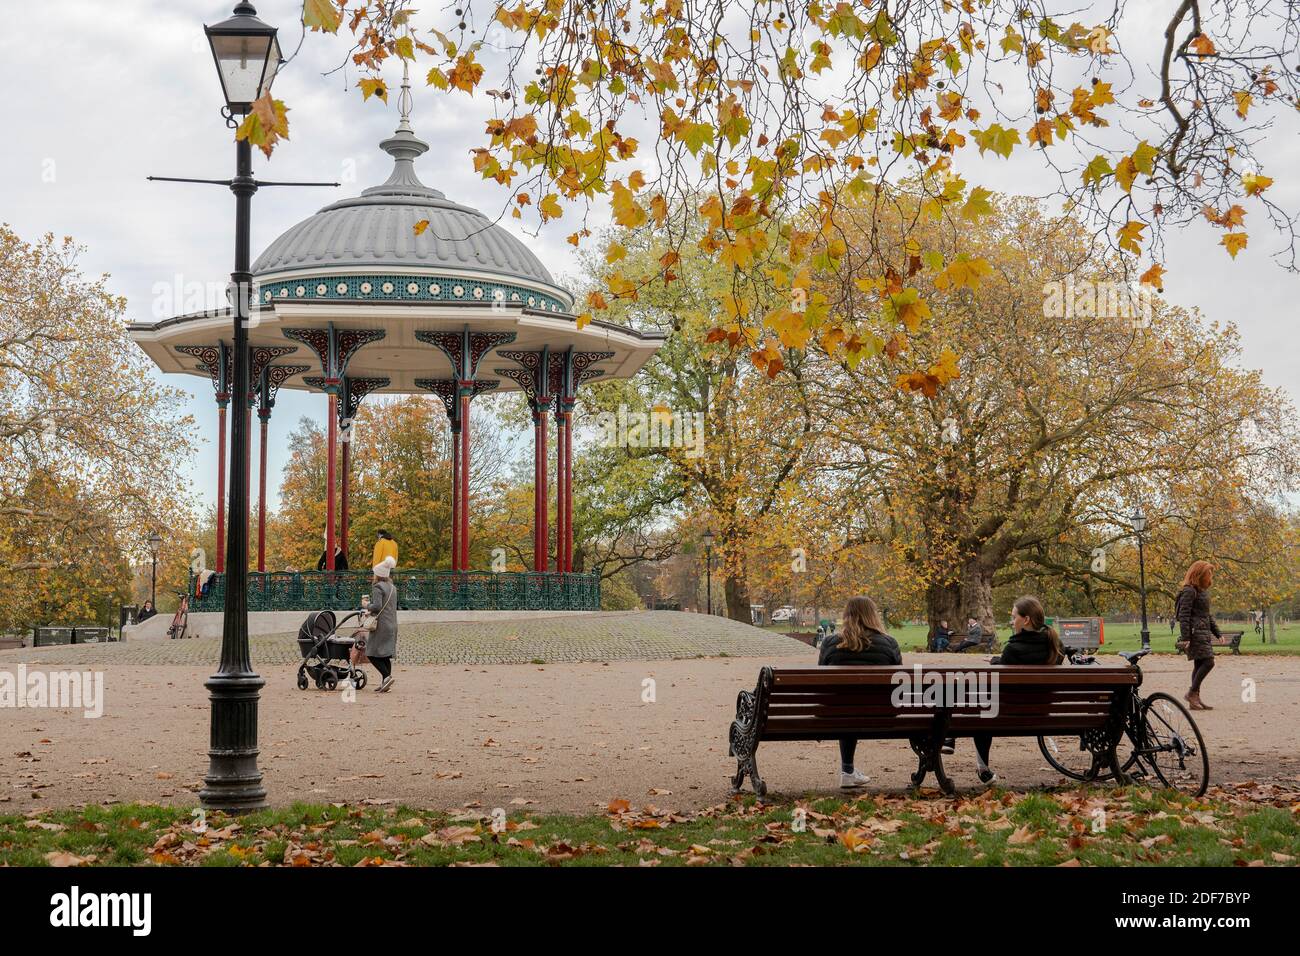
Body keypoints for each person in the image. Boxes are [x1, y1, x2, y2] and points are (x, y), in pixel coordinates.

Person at [951, 596, 1064, 785]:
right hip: (1043, 712)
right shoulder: (1054, 645)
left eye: (1014, 617)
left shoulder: (1013, 649)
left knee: (980, 706)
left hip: (1008, 714)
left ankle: (979, 764)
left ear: (1025, 619)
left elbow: (1000, 677)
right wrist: (999, 660)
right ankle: (950, 738)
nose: (1012, 621)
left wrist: (999, 661)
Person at [817, 596, 902, 789]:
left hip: (835, 714)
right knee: (853, 705)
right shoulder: (889, 643)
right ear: (873, 615)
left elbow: (822, 681)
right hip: (883, 714)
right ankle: (848, 772)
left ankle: (847, 770)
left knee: (846, 705)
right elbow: (898, 682)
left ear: (846, 615)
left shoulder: (830, 643)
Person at [1175, 560, 1219, 710]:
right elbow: (1184, 615)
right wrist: (1186, 636)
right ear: (1199, 574)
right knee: (1209, 662)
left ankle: (1195, 698)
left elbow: (1207, 615)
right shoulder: (1189, 591)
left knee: (1200, 663)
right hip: (1195, 634)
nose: (1210, 576)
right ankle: (1192, 693)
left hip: (1203, 632)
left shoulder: (1201, 591)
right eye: (1208, 573)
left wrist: (1217, 633)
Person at [360, 555, 398, 693]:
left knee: (371, 652)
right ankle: (385, 682)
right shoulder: (392, 587)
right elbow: (385, 608)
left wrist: (366, 605)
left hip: (381, 625)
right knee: (385, 654)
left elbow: (377, 606)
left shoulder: (378, 587)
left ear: (378, 574)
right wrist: (372, 611)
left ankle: (387, 676)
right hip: (392, 623)